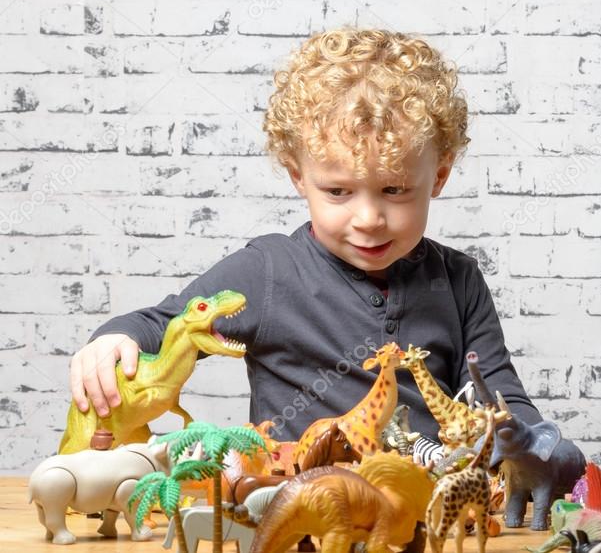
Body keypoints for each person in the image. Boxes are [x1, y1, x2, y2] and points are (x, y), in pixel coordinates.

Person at [69, 28, 542, 441]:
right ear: (299, 177)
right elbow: (164, 325)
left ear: (437, 178)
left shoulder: (458, 280)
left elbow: (498, 394)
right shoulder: (268, 272)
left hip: (430, 516)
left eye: (394, 189)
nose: (369, 218)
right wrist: (113, 340)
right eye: (338, 191)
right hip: (304, 512)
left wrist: (534, 444)